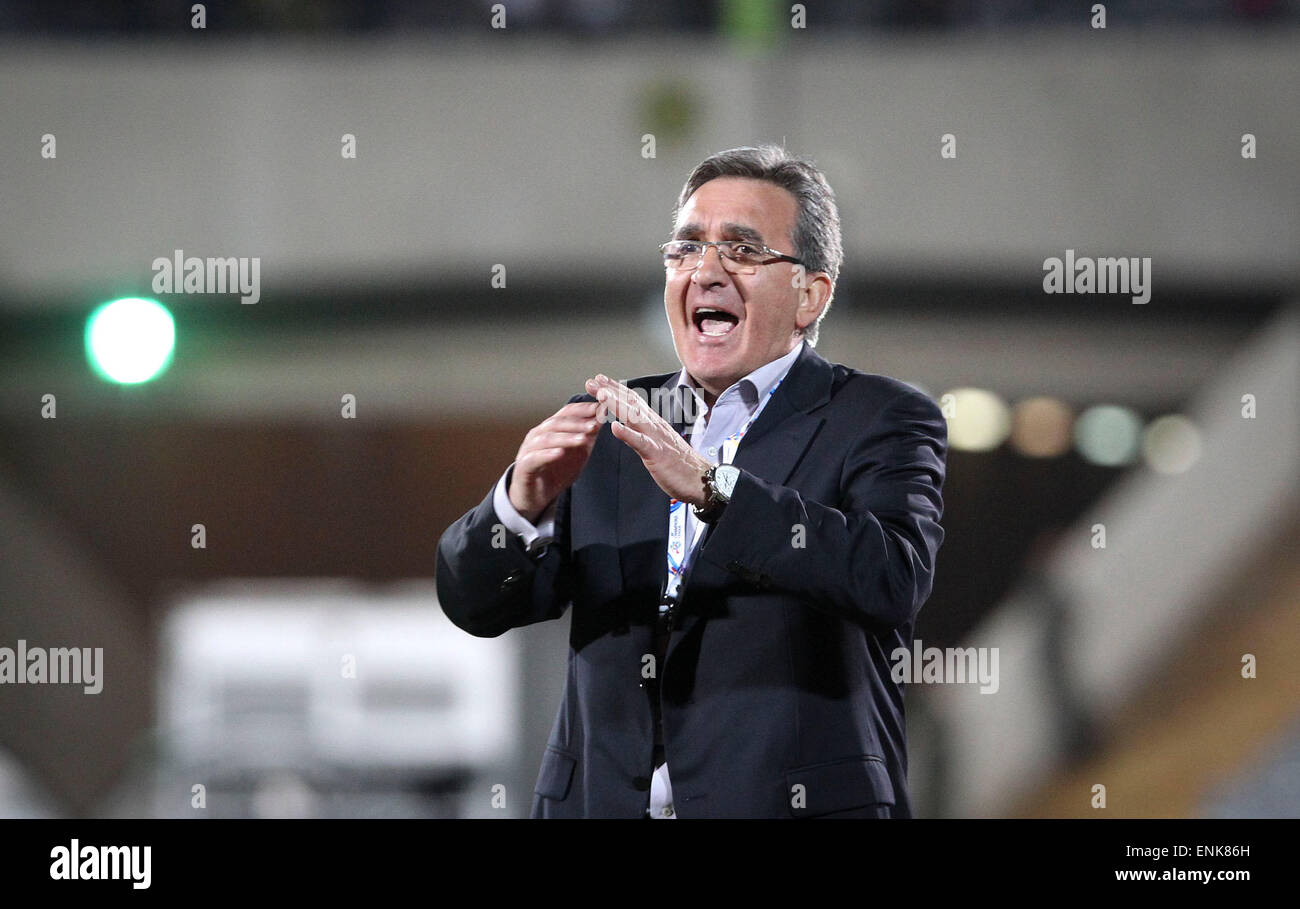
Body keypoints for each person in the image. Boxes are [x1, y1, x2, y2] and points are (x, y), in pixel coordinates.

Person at [436, 145, 947, 818]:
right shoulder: (610, 426)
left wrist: (714, 489)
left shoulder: (880, 417)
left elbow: (890, 576)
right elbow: (476, 604)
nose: (706, 271)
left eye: (742, 250)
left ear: (810, 293)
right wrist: (517, 505)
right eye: (685, 249)